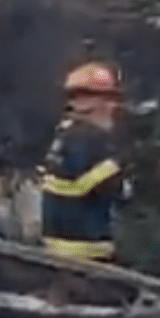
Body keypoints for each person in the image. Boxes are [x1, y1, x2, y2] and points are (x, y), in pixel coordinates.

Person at [39, 61, 128, 264]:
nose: (113, 107)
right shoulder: (95, 141)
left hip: (55, 250)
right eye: (110, 98)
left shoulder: (64, 136)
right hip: (88, 254)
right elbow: (113, 191)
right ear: (96, 102)